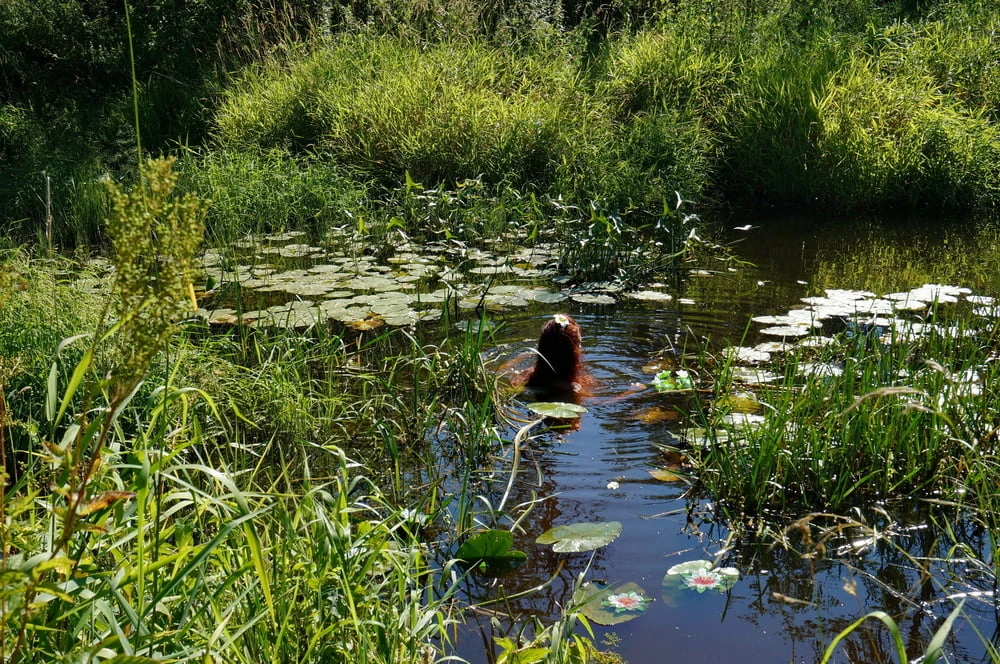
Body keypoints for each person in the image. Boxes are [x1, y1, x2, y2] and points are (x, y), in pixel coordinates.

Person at [520, 313, 595, 400]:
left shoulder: (528, 375)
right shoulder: (574, 388)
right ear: (569, 354)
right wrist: (615, 398)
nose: (581, 349)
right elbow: (599, 403)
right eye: (578, 344)